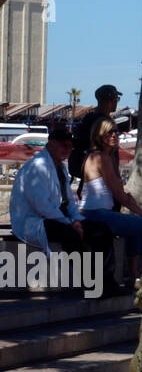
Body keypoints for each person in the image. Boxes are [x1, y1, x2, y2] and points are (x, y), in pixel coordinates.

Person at [10, 124, 117, 294]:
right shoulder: (37, 166)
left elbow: (68, 202)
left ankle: (108, 283)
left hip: (58, 218)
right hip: (35, 221)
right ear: (50, 144)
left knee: (102, 230)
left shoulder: (60, 167)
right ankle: (92, 285)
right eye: (63, 145)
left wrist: (76, 220)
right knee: (71, 235)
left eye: (70, 146)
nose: (67, 149)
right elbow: (42, 206)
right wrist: (70, 223)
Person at [80, 116, 142, 283]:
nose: (114, 135)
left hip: (92, 213)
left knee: (137, 225)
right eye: (109, 132)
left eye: (116, 131)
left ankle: (136, 275)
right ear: (99, 136)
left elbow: (123, 195)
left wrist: (139, 211)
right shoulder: (101, 158)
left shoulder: (96, 156)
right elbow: (120, 196)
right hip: (97, 214)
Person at [70, 84, 121, 180]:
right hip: (103, 173)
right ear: (111, 100)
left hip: (89, 172)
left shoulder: (88, 118)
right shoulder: (106, 123)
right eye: (116, 99)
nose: (116, 102)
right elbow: (110, 152)